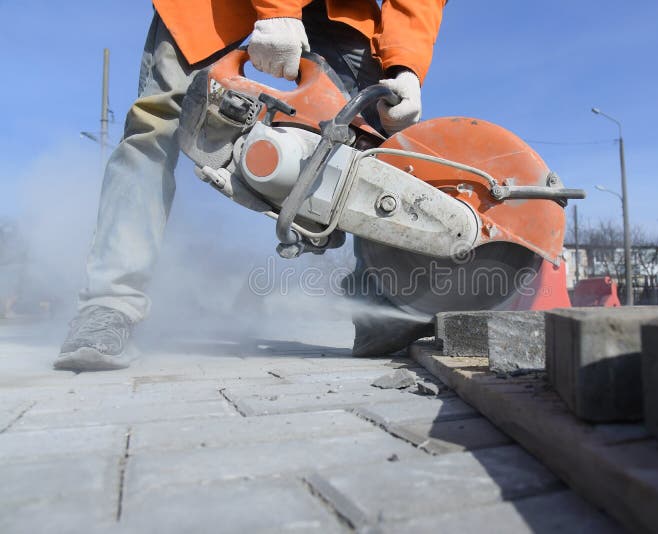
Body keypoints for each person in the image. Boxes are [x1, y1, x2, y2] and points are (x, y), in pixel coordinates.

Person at [54, 0, 446, 371]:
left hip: (337, 8)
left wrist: (404, 66)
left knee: (372, 136)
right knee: (158, 123)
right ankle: (108, 305)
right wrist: (278, 11)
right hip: (207, 8)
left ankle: (380, 302)